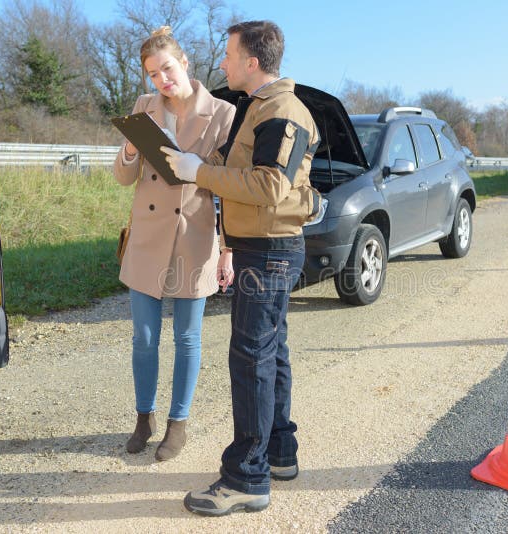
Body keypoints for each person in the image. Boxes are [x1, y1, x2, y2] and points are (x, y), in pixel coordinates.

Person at [161, 20, 321, 515]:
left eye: (229, 55)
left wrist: (200, 173)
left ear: (253, 61)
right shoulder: (260, 108)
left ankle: (246, 478)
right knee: (269, 352)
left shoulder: (283, 112)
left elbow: (270, 186)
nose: (223, 63)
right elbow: (252, 179)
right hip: (260, 247)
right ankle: (278, 453)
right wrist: (196, 164)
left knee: (251, 358)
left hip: (269, 252)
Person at [113, 26, 235, 462]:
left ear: (183, 62)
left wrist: (228, 249)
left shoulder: (222, 112)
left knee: (187, 337)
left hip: (195, 236)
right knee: (144, 337)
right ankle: (143, 419)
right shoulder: (144, 107)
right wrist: (130, 150)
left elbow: (228, 188)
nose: (162, 80)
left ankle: (177, 424)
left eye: (167, 68)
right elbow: (125, 177)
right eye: (153, 74)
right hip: (147, 238)